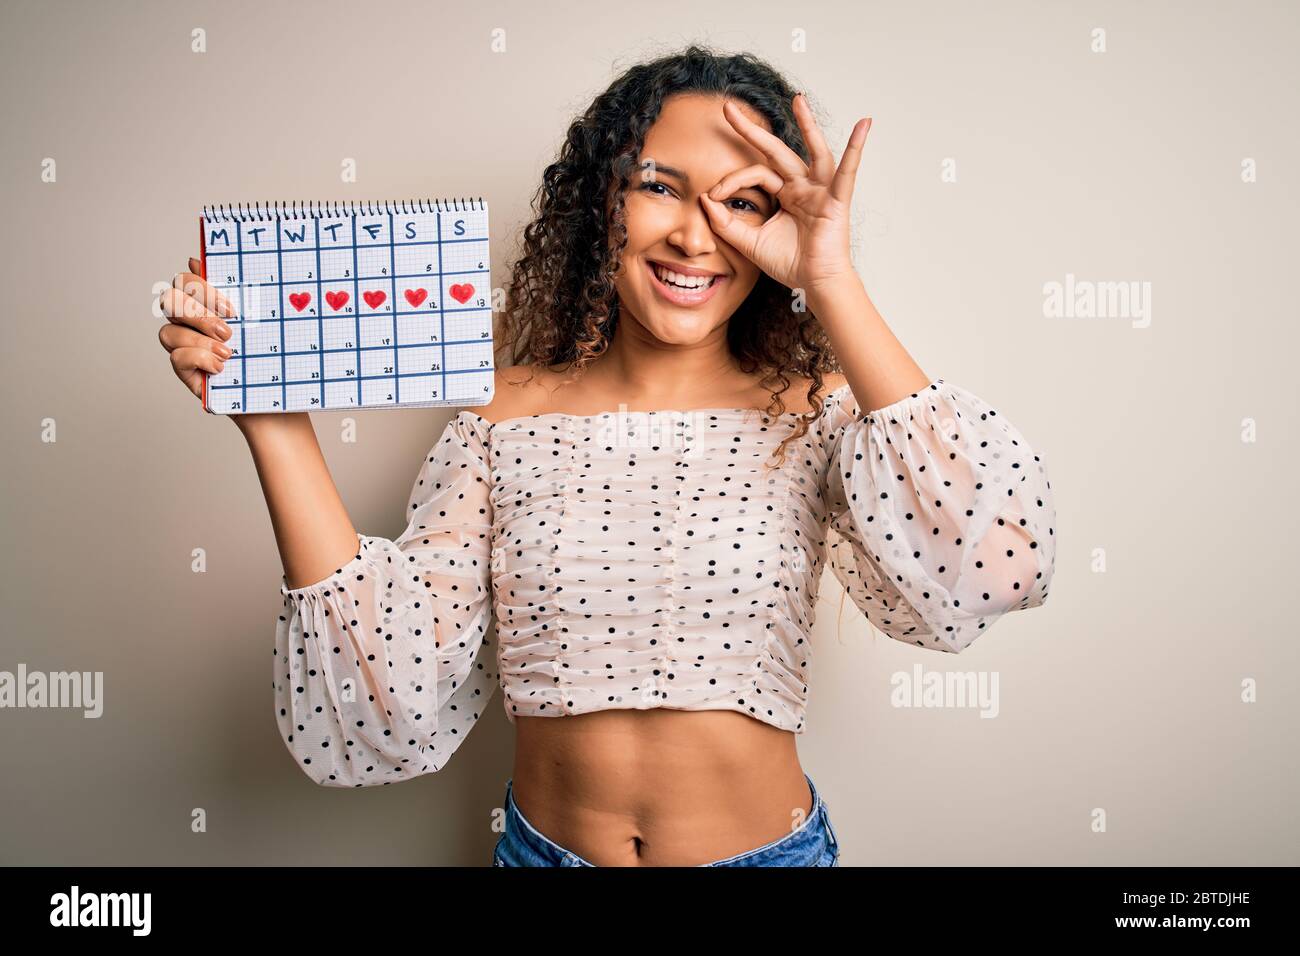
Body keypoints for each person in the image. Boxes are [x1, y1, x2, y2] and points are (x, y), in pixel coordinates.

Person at [155, 46, 1056, 867]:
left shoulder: (816, 412)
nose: (697, 238)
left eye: (741, 201)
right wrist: (270, 420)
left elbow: (990, 568)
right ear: (603, 201)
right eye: (659, 186)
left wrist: (830, 278)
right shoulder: (501, 413)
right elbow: (389, 697)